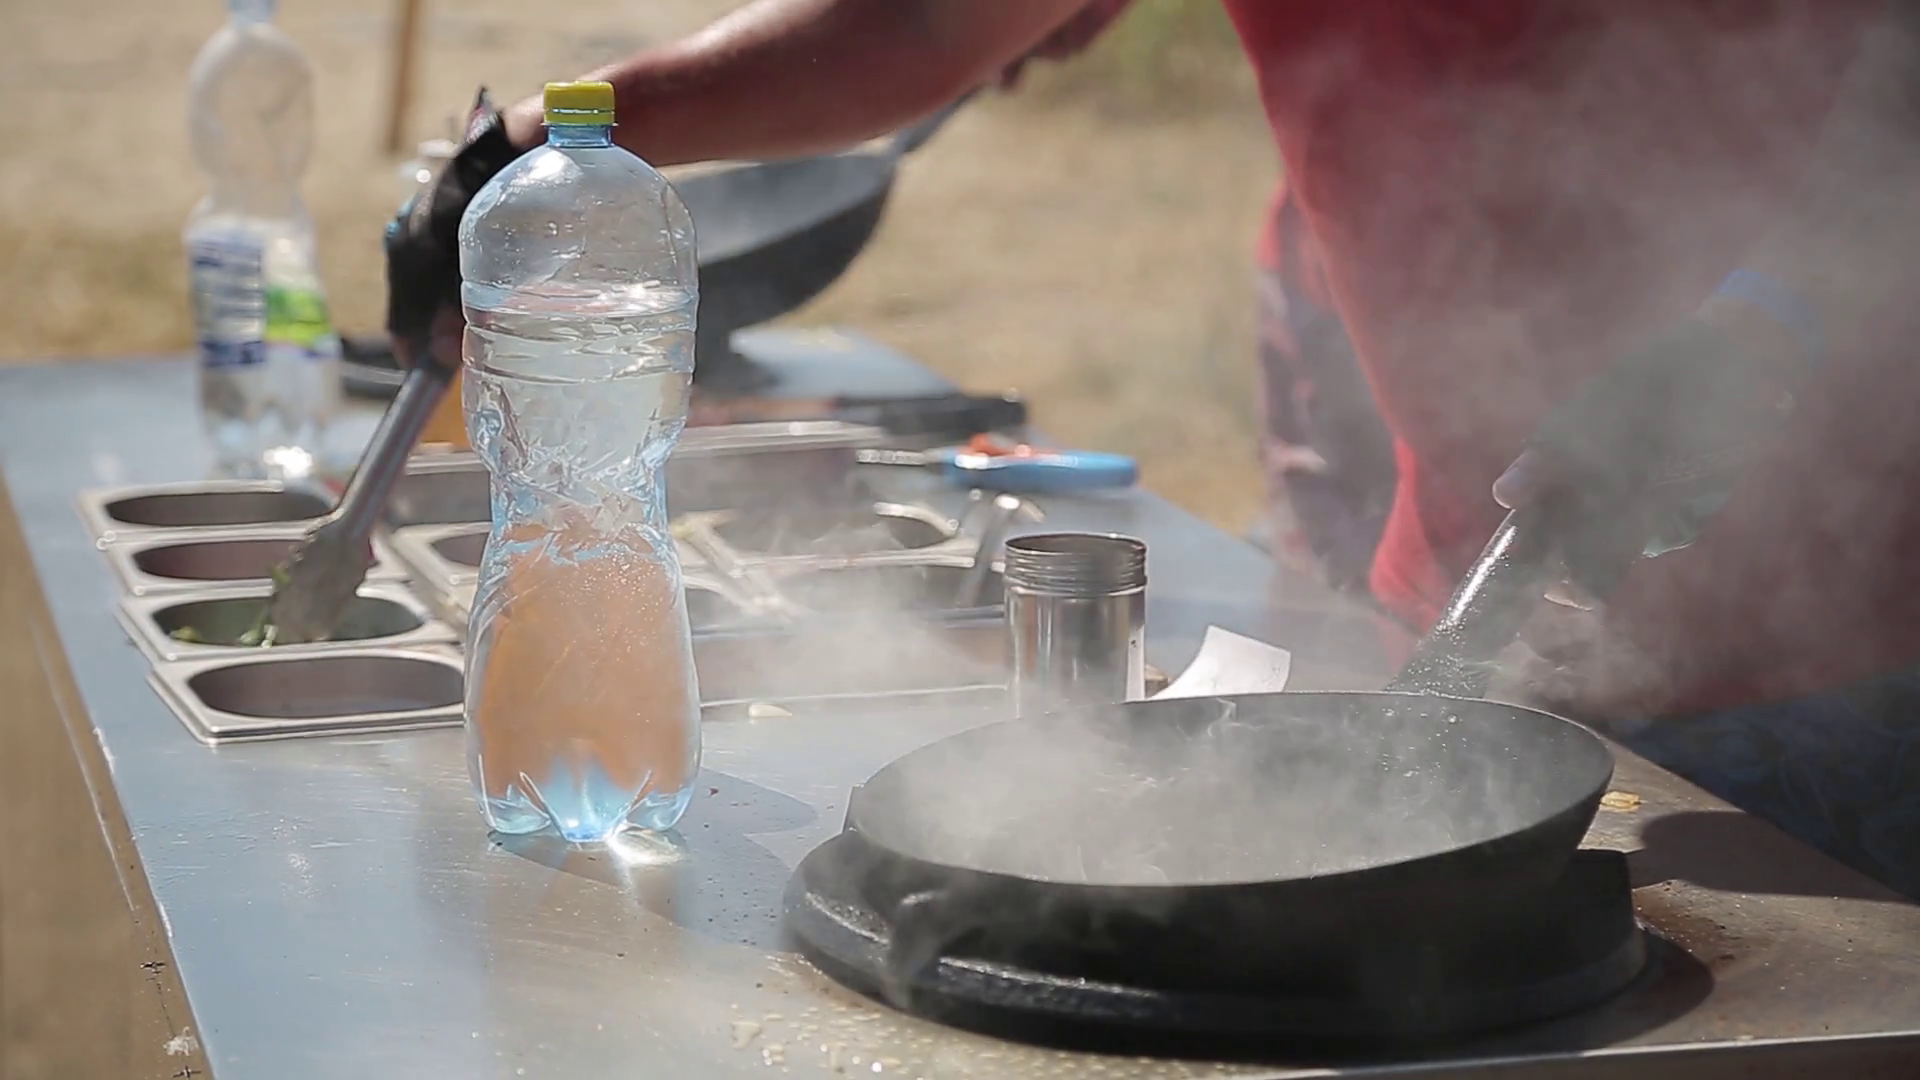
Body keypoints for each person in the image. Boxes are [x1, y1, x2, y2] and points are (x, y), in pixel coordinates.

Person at [387, 0, 1920, 898]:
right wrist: (550, 141)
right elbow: (923, 21)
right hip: (1467, 603)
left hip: (1843, 649)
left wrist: (1766, 322)